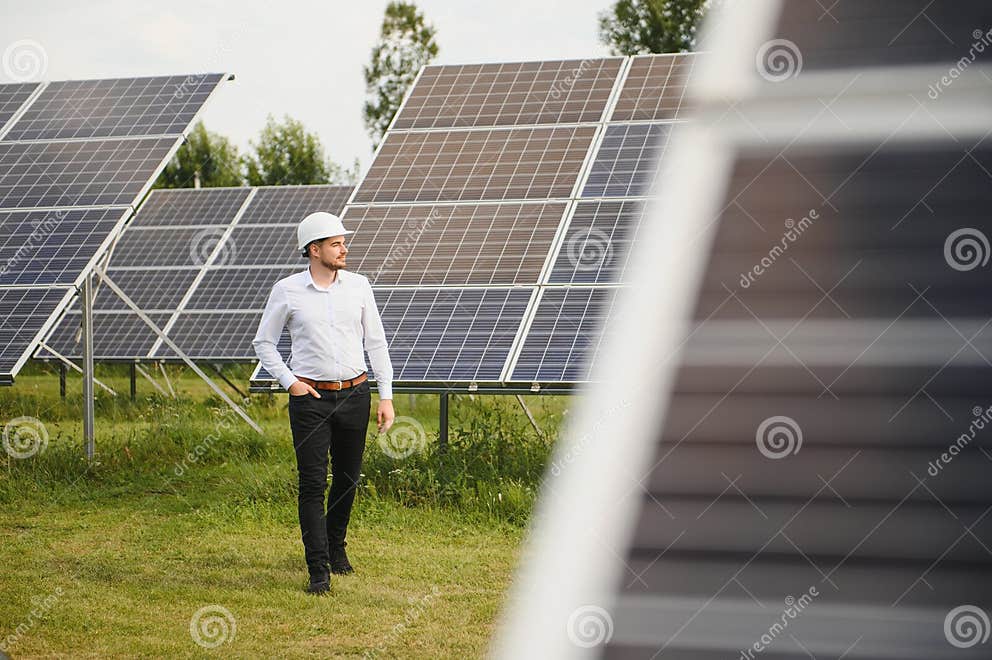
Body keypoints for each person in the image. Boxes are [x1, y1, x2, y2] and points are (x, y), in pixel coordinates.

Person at [252, 211, 395, 595]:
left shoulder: (360, 286)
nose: (344, 248)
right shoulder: (287, 290)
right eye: (336, 244)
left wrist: (386, 396)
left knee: (347, 480)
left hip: (355, 394)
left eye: (343, 242)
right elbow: (264, 343)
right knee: (313, 484)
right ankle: (318, 569)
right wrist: (290, 382)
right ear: (314, 250)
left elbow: (376, 343)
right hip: (310, 399)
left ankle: (336, 548)